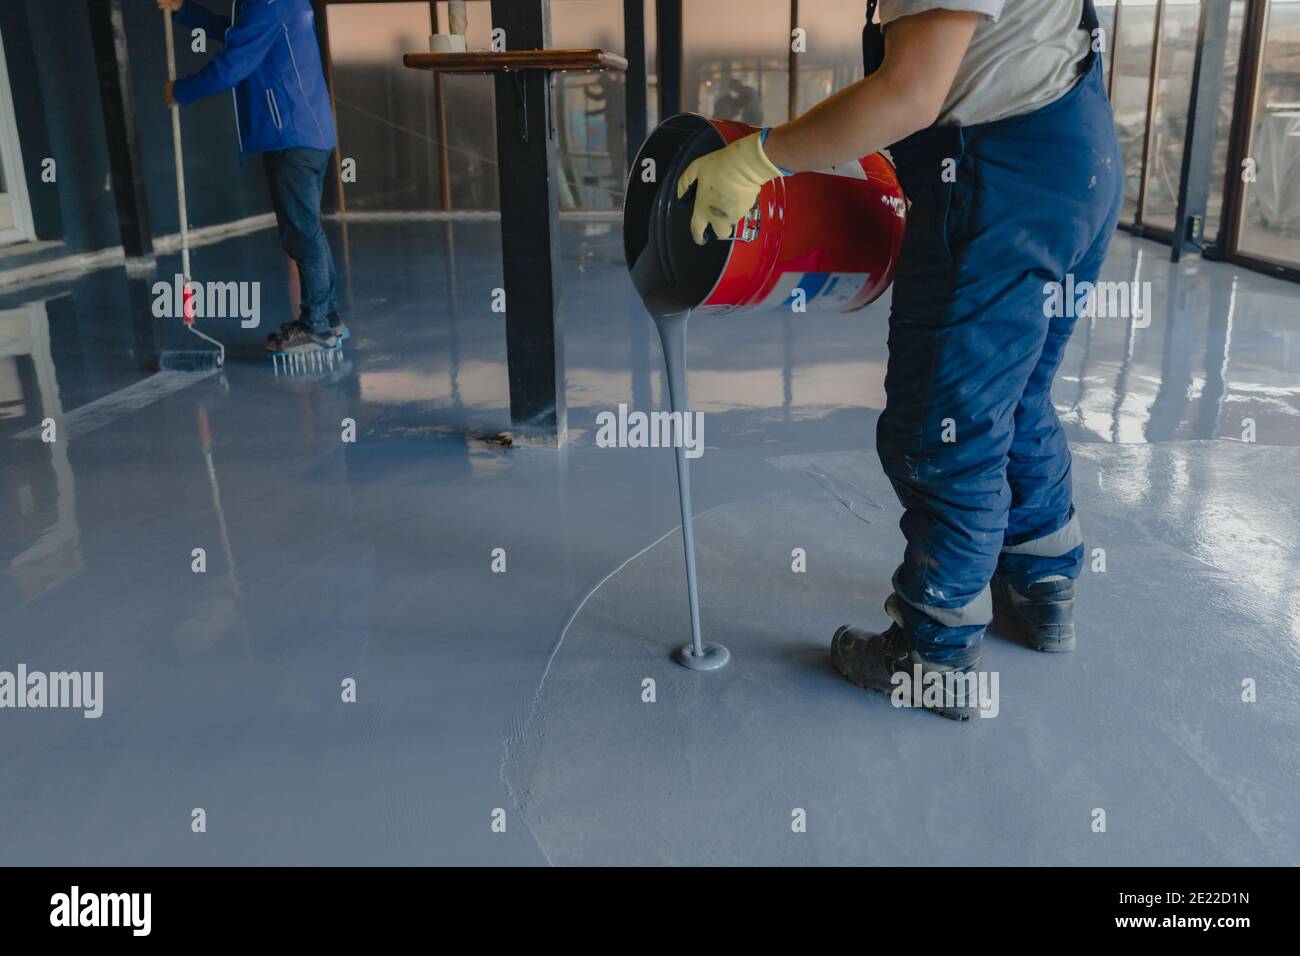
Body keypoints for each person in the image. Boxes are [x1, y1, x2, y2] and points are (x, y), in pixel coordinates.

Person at [677, 1, 1122, 719]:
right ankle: (1043, 591)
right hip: (1077, 162)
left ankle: (935, 656)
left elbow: (910, 92)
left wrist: (758, 157)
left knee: (942, 428)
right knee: (1017, 398)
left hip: (997, 185)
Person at [157, 0, 347, 355]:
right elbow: (235, 32)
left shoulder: (269, 5)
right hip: (308, 133)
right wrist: (186, 10)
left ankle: (316, 326)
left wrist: (182, 91)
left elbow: (231, 66)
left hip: (291, 135)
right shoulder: (276, 4)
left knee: (301, 235)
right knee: (308, 231)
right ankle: (328, 318)